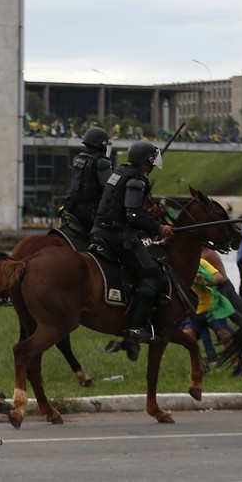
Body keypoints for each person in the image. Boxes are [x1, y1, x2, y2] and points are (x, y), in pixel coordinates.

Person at [91, 141, 173, 349]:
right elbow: (132, 215)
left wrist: (147, 215)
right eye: (151, 162)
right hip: (117, 234)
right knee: (150, 272)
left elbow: (121, 207)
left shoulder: (119, 171)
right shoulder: (137, 180)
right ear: (146, 161)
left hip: (100, 229)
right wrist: (159, 227)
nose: (153, 165)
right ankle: (136, 327)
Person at [63, 126, 113, 232]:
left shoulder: (78, 158)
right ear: (102, 144)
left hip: (72, 209)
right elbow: (110, 190)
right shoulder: (102, 162)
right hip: (91, 213)